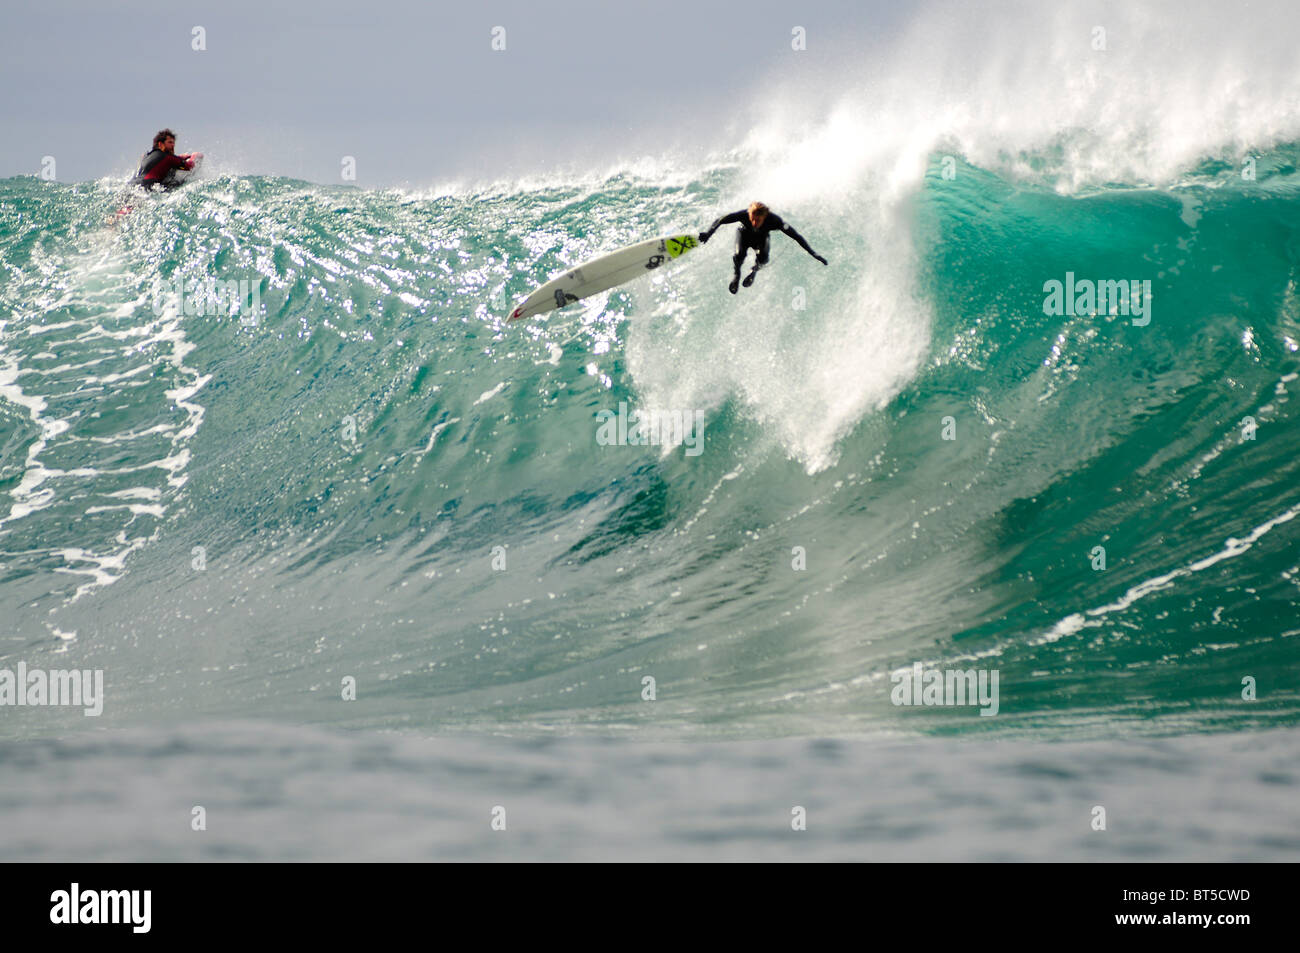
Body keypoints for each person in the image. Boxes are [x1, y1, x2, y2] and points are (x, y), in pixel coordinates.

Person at [698, 201, 827, 293]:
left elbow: (796, 236)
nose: (754, 223)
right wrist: (708, 233)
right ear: (749, 214)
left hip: (761, 240)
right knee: (739, 255)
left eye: (758, 220)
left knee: (763, 258)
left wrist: (814, 254)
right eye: (752, 219)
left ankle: (754, 271)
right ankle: (736, 275)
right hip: (744, 235)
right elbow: (721, 220)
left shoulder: (774, 221)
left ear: (764, 217)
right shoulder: (744, 214)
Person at [130, 129, 202, 191]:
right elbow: (189, 166)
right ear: (160, 144)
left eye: (173, 143)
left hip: (131, 186)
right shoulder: (168, 157)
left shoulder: (145, 156)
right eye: (170, 142)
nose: (173, 145)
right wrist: (195, 156)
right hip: (146, 187)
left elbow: (158, 163)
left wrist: (178, 158)